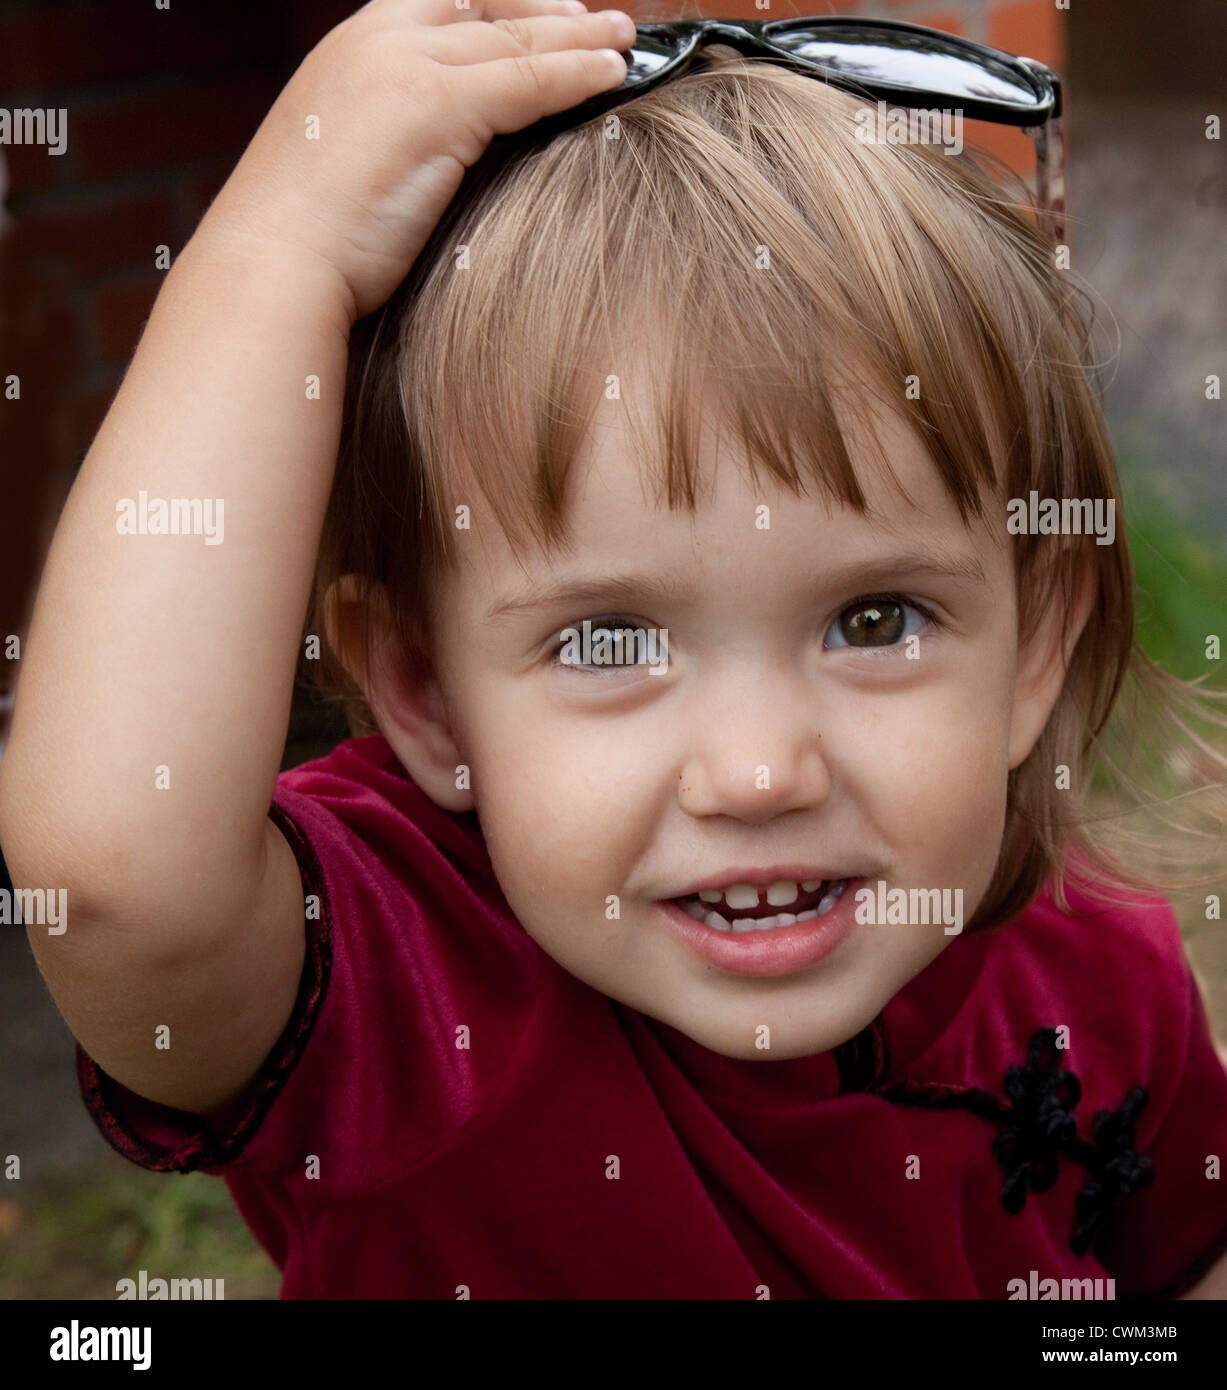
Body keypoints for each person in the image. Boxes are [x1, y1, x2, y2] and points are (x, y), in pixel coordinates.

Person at [2, 1, 1226, 1299]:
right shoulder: (407, 1001)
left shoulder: (1098, 975)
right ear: (425, 692)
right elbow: (120, 873)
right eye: (607, 638)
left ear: (1035, 648)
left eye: (875, 619)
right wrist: (276, 252)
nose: (758, 774)